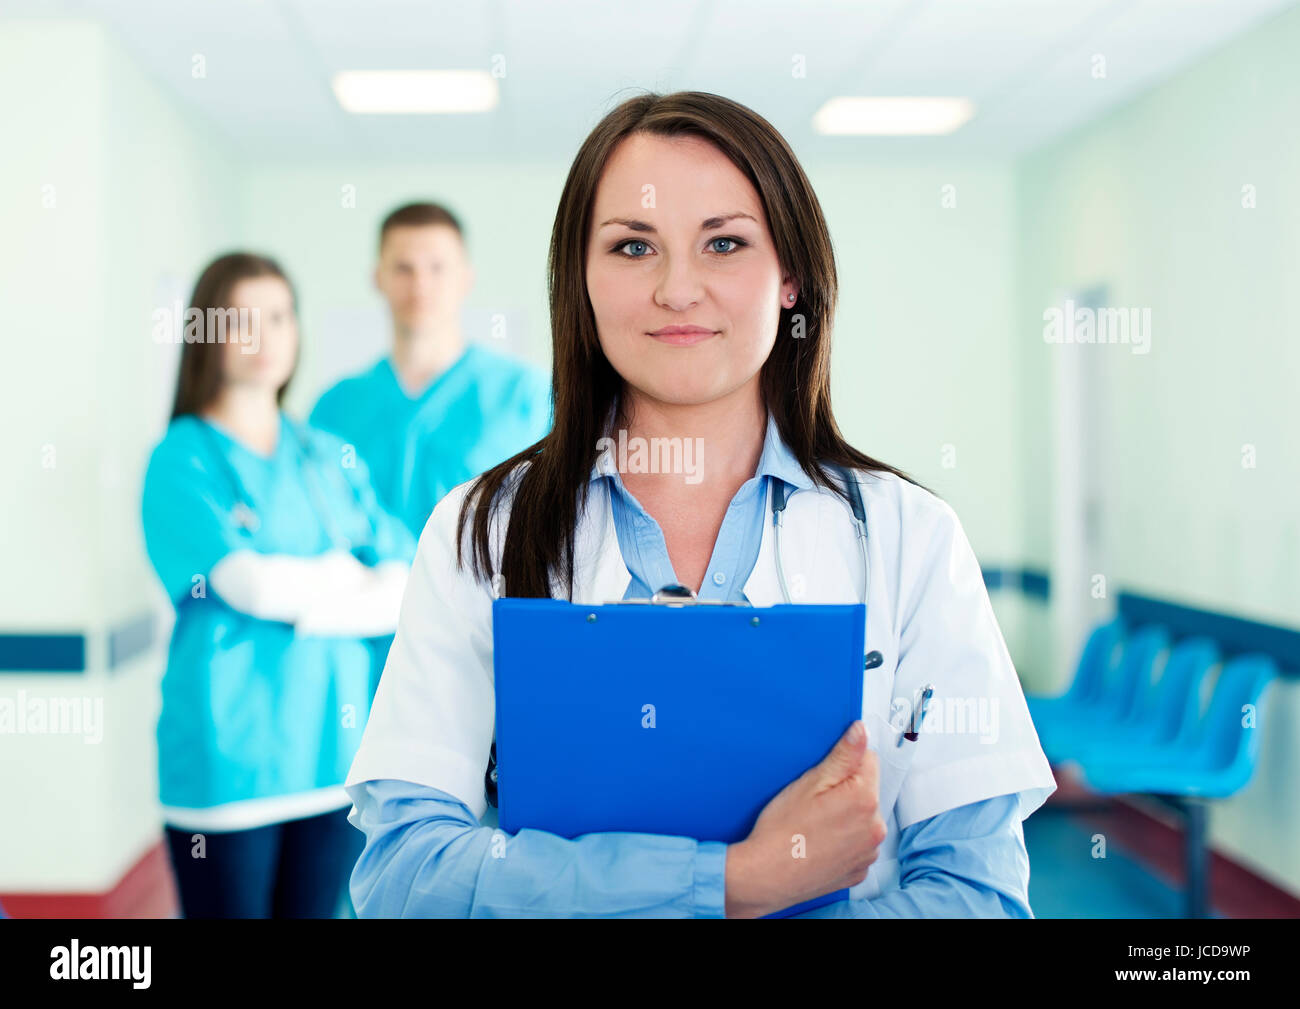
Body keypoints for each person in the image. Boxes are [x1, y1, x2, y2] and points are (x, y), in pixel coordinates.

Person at [344, 92, 1057, 918]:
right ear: (580, 278)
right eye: (633, 246)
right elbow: (404, 877)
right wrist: (734, 884)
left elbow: (979, 894)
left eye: (724, 243)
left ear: (790, 277)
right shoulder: (484, 531)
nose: (678, 289)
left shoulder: (907, 537)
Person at [141, 253, 416, 918]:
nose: (265, 336)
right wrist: (348, 578)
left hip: (331, 758)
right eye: (242, 319)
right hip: (229, 762)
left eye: (280, 316)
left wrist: (310, 596)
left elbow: (405, 584)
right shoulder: (183, 457)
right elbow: (249, 586)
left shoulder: (324, 452)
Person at [310, 202, 554, 540]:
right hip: (365, 592)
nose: (420, 285)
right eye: (403, 269)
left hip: (490, 590)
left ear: (466, 278)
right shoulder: (336, 407)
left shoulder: (527, 396)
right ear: (378, 278)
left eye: (437, 268)